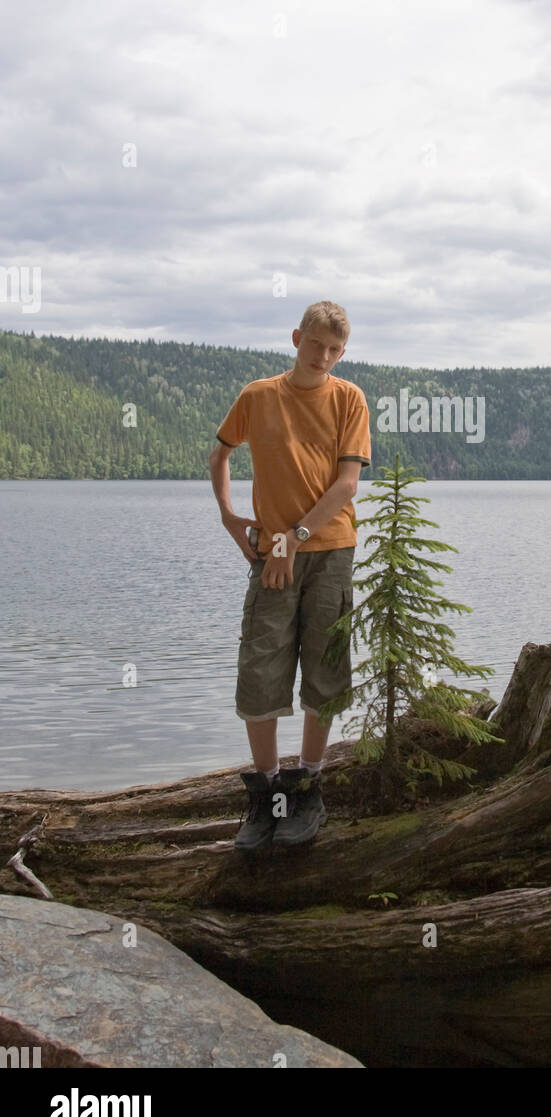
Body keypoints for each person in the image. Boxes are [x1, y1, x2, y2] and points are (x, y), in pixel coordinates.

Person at [209, 300, 371, 849]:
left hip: (328, 550)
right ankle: (264, 798)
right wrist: (231, 516)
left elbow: (347, 486)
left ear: (342, 352)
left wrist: (293, 539)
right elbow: (220, 453)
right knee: (261, 670)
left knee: (324, 670)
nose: (323, 357)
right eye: (315, 344)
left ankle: (306, 789)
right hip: (271, 554)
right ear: (297, 337)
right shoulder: (258, 396)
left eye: (334, 350)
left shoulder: (350, 399)